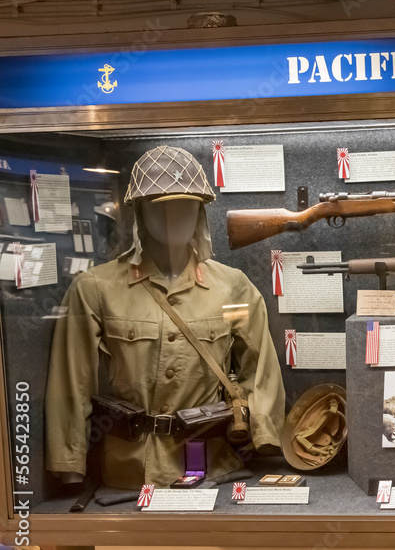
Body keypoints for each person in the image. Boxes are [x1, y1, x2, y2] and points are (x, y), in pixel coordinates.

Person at [45, 146, 285, 489]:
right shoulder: (96, 288)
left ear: (200, 212)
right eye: (161, 207)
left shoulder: (233, 287)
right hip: (128, 471)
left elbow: (260, 372)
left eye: (186, 206)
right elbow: (71, 384)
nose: (175, 217)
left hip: (211, 465)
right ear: (139, 214)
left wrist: (262, 435)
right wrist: (69, 463)